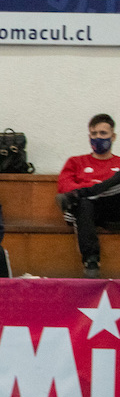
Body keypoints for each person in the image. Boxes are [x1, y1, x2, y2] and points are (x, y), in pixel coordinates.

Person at [56, 113, 120, 279]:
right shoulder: (76, 162)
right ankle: (91, 260)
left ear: (113, 137)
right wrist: (97, 189)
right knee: (83, 202)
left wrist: (88, 190)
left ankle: (83, 194)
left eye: (103, 133)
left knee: (84, 195)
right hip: (84, 212)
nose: (98, 137)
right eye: (94, 134)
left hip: (114, 211)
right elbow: (65, 186)